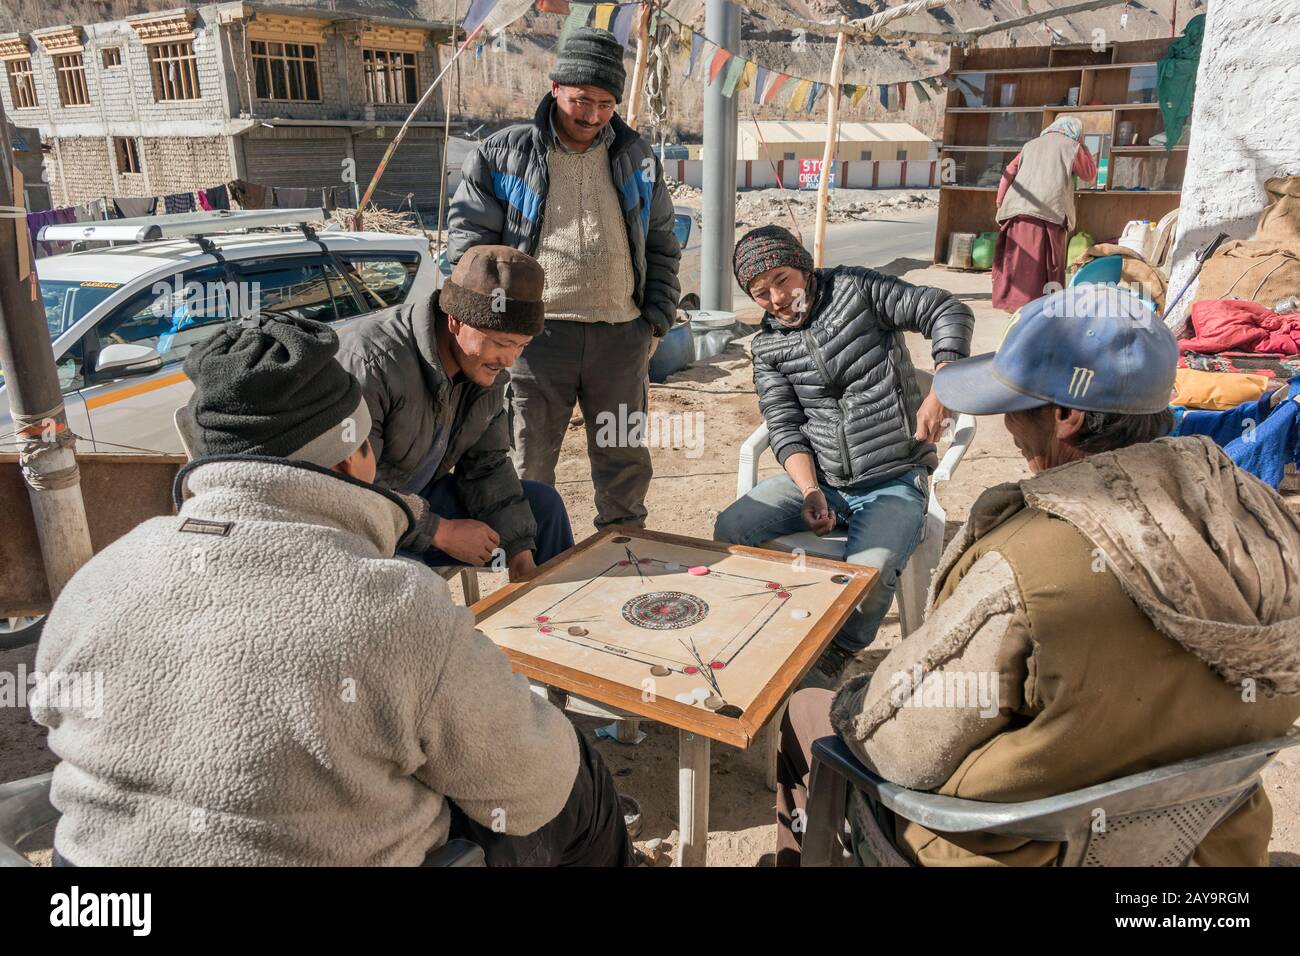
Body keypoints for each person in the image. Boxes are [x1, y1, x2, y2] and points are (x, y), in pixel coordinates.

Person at [31, 315, 634, 866]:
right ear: (353, 459)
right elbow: (530, 784)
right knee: (577, 782)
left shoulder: (97, 580)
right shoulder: (397, 609)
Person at [776, 286, 1300, 867]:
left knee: (809, 714)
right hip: (1205, 845)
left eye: (1013, 404)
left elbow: (899, 748)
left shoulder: (1023, 563)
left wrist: (856, 699)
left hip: (1032, 852)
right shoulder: (1263, 518)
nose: (1009, 427)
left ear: (1067, 417)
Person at [713, 225, 975, 688]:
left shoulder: (857, 290)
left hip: (894, 476)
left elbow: (945, 308)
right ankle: (766, 626)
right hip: (826, 481)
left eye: (781, 278)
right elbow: (784, 425)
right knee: (731, 530)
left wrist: (944, 385)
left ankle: (839, 649)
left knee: (868, 574)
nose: (776, 297)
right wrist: (810, 489)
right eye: (759, 291)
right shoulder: (768, 347)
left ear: (803, 266)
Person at [447, 27, 681, 531]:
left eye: (604, 103)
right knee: (528, 457)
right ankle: (530, 557)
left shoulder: (638, 157)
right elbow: (470, 249)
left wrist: (656, 322)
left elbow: (662, 242)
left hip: (622, 334)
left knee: (623, 456)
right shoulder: (500, 154)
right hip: (533, 338)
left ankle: (624, 548)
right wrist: (496, 328)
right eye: (580, 100)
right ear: (555, 88)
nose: (592, 115)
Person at [337, 246, 572, 583]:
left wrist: (520, 551)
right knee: (409, 582)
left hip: (420, 498)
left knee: (543, 508)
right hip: (357, 520)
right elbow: (350, 491)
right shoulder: (370, 363)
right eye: (501, 343)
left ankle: (552, 622)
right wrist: (440, 531)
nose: (509, 359)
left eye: (520, 346)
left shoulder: (484, 370)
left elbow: (486, 464)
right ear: (456, 320)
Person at [992, 116, 1098, 312]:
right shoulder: (1072, 146)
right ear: (1076, 132)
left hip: (1016, 210)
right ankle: (1041, 309)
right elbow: (1090, 176)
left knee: (1016, 262)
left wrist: (1000, 202)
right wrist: (1083, 146)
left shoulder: (1031, 144)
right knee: (1042, 267)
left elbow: (1009, 171)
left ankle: (1013, 306)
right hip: (1048, 212)